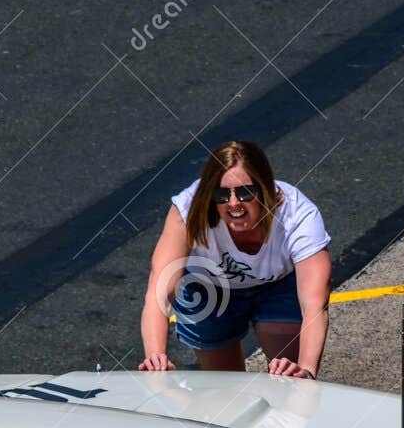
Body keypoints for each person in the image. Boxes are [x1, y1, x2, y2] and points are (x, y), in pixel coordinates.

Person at [139, 141, 332, 377]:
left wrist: (306, 371)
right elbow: (159, 292)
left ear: (264, 189)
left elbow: (315, 304)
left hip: (277, 286)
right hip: (209, 286)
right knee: (225, 389)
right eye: (221, 195)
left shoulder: (298, 215)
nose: (233, 203)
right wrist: (155, 357)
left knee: (289, 377)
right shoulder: (189, 210)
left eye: (245, 192)